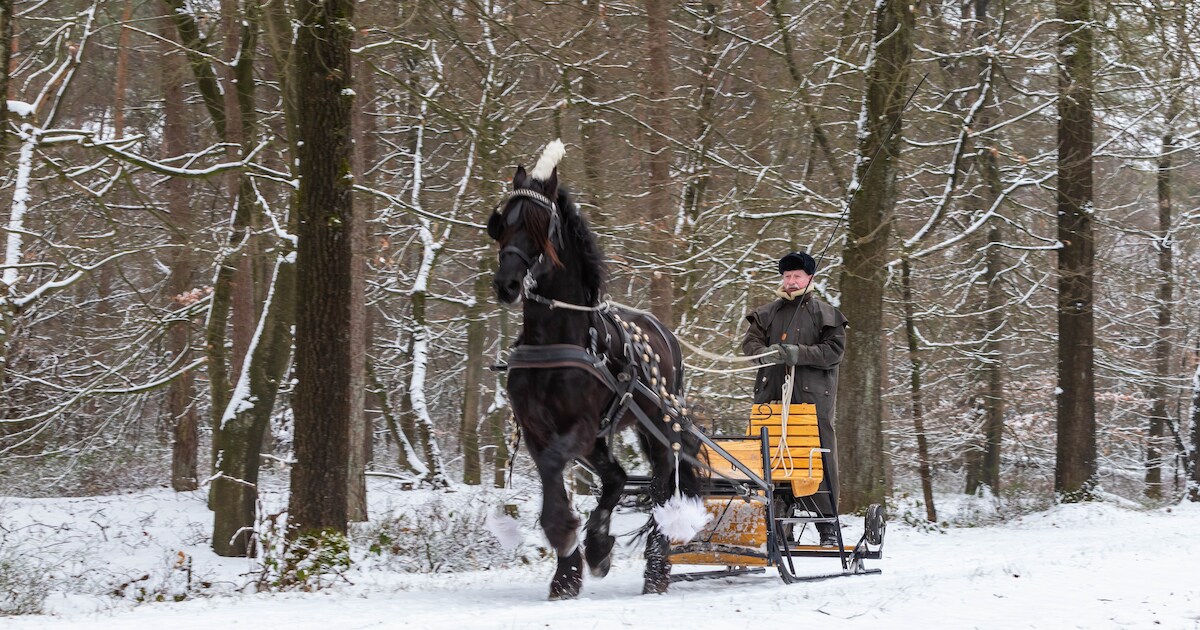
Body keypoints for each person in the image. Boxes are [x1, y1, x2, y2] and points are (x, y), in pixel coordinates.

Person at [741, 251, 848, 546]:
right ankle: (778, 523)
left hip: (813, 403)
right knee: (769, 457)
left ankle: (827, 526)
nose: (790, 281)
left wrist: (798, 353)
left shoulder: (826, 315)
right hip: (770, 399)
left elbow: (833, 352)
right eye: (787, 276)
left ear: (809, 278)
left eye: (796, 276)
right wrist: (766, 353)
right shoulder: (766, 314)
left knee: (816, 458)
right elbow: (750, 344)